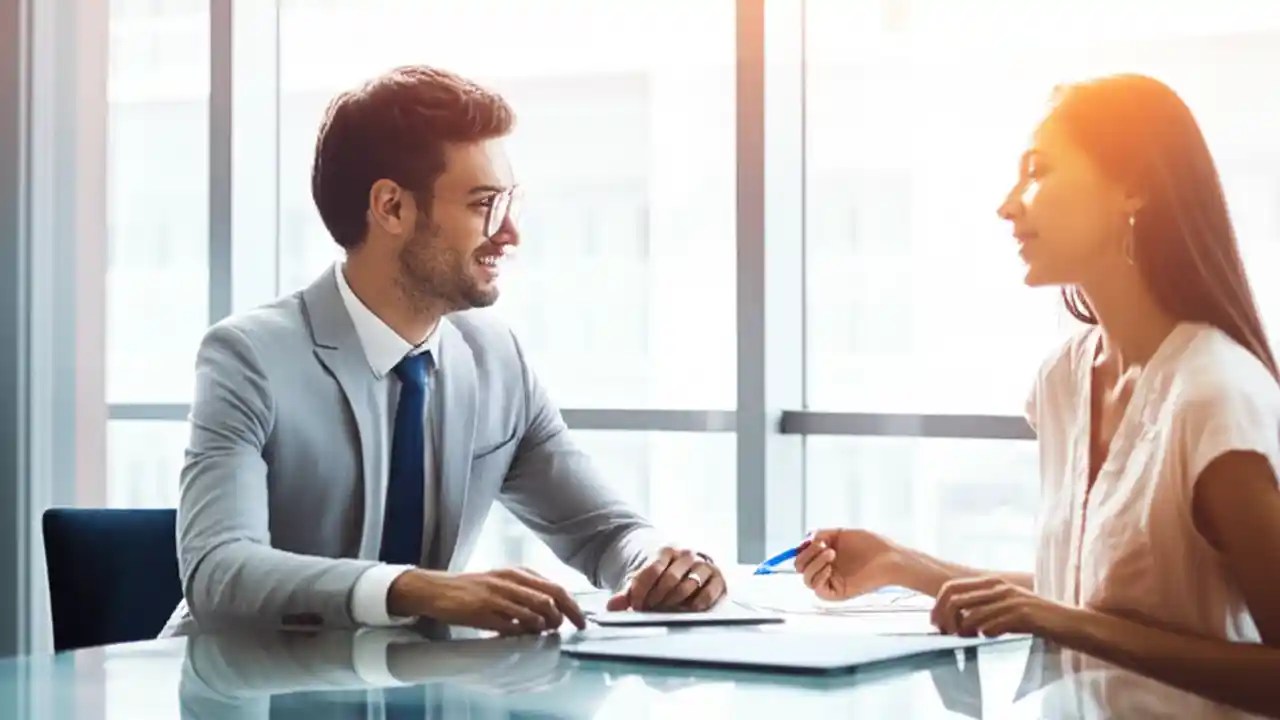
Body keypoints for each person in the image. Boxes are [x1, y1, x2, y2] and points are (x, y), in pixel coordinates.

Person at [160, 65, 725, 638]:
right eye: (484, 204)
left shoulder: (497, 358)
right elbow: (218, 571)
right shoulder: (250, 356)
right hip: (243, 688)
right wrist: (414, 587)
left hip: (418, 686)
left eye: (510, 204)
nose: (510, 235)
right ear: (392, 208)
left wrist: (657, 562)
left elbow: (604, 532)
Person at [795, 74, 1280, 714]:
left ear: (1132, 187)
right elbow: (1081, 598)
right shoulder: (1063, 380)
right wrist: (898, 564)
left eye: (1037, 172)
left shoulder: (1215, 396)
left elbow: (1078, 618)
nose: (1008, 206)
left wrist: (1063, 622)